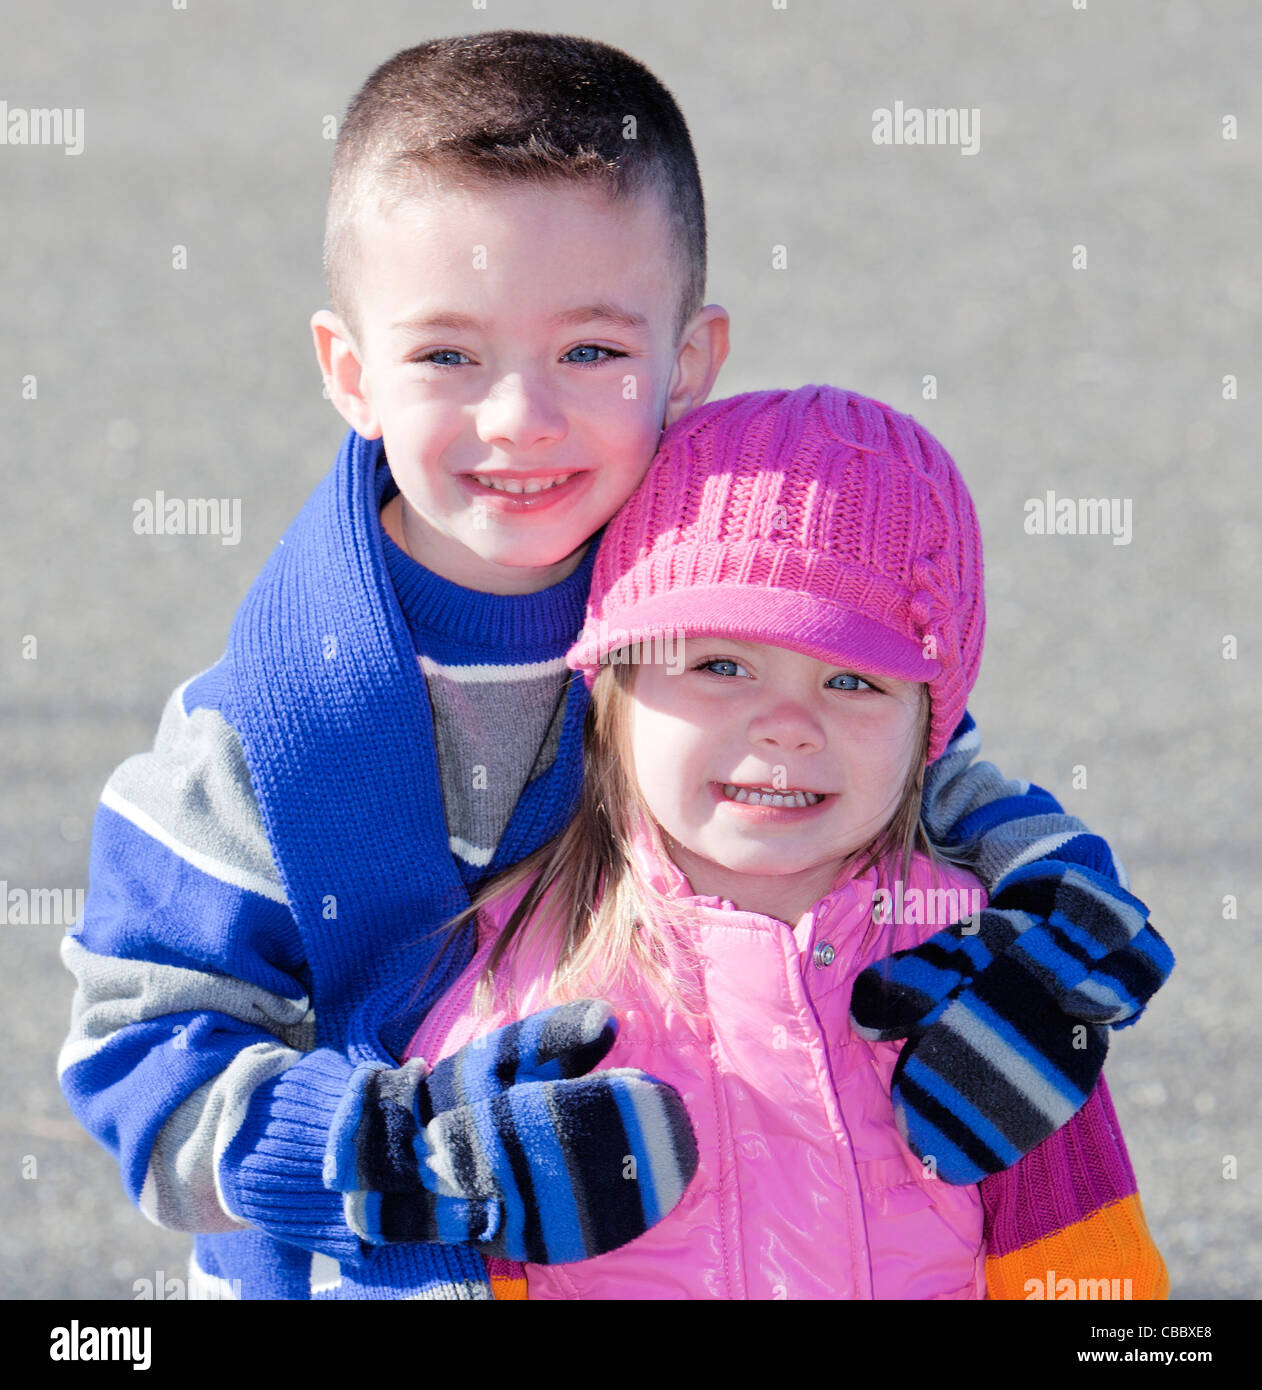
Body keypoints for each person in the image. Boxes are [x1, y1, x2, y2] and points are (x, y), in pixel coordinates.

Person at [57, 33, 1171, 1301]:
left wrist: (1057, 914)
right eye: (445, 355)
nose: (519, 417)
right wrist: (407, 1157)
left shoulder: (723, 590)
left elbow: (916, 752)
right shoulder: (263, 740)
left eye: (589, 352)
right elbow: (142, 1059)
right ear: (350, 373)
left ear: (688, 362)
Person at [394, 385, 1171, 1299]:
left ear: (931, 725)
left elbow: (1093, 1273)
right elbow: (444, 1264)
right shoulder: (525, 987)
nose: (791, 725)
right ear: (614, 687)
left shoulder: (987, 971)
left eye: (854, 680)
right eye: (722, 665)